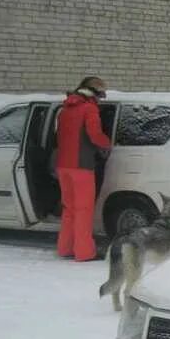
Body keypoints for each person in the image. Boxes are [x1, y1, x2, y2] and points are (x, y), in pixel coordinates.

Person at [55, 76, 112, 261]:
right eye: (100, 95)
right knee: (83, 210)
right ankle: (84, 252)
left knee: (69, 209)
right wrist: (108, 144)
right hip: (82, 166)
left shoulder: (64, 109)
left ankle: (65, 248)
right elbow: (95, 135)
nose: (100, 99)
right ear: (94, 93)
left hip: (63, 166)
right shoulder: (89, 109)